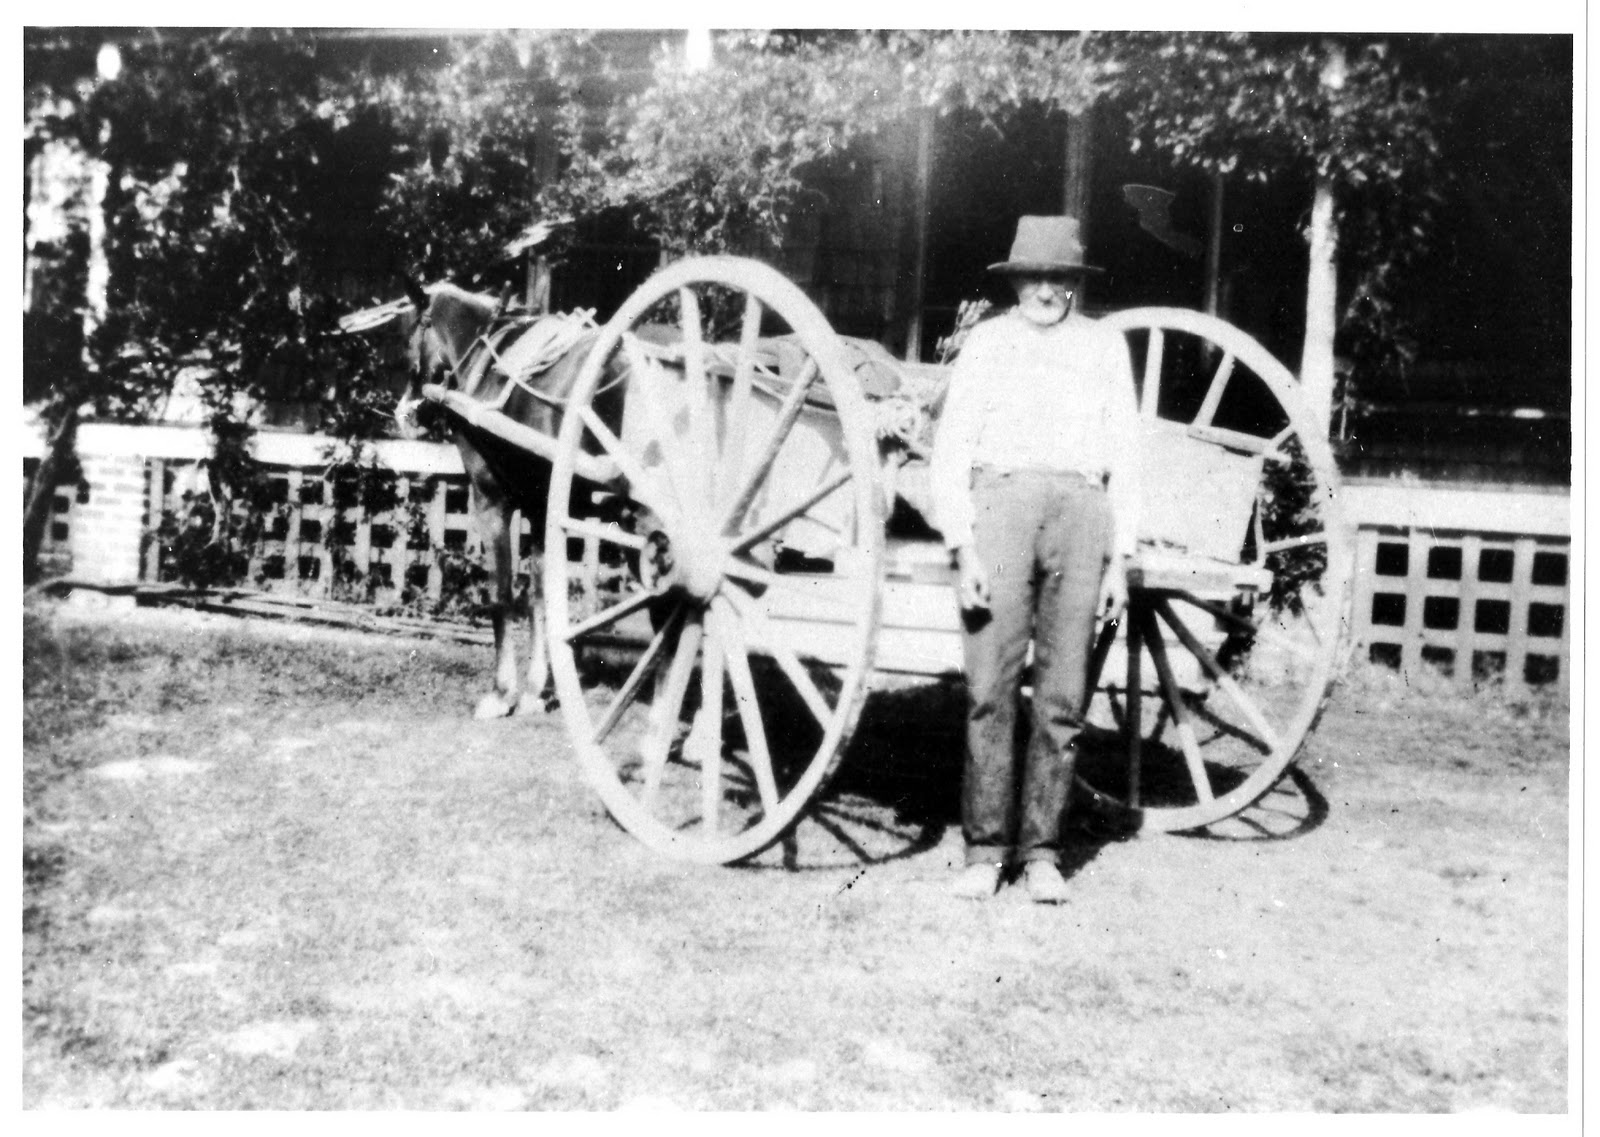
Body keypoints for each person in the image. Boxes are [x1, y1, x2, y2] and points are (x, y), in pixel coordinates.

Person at [929, 215, 1143, 903]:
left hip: (1081, 514)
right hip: (1001, 508)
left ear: (1076, 283)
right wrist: (962, 546)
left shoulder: (1104, 347)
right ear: (1015, 280)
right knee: (990, 687)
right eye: (1036, 276)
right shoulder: (988, 344)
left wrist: (1119, 560)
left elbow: (1128, 458)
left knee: (1063, 695)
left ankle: (1043, 851)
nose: (1047, 290)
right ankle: (986, 851)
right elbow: (952, 450)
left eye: (1061, 277)